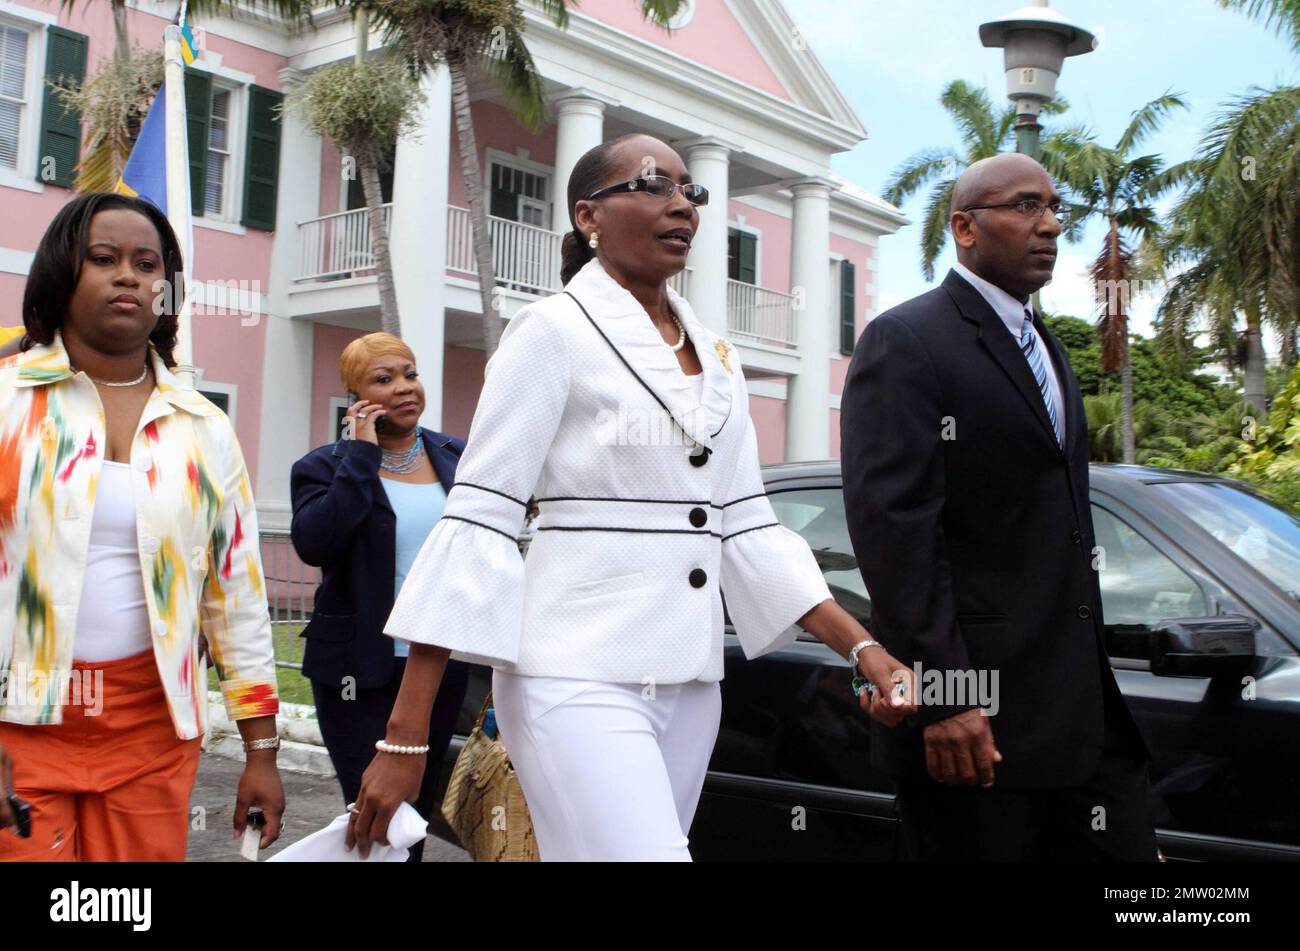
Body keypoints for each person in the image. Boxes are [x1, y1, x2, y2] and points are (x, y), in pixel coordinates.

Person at [343, 133, 917, 861]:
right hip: (572, 673)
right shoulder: (550, 331)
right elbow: (479, 519)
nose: (681, 204)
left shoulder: (716, 355)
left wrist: (863, 646)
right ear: (590, 214)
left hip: (690, 682)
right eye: (652, 187)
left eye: (689, 190)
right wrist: (405, 735)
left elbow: (746, 526)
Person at [840, 153, 1158, 861]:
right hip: (974, 731)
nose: (1047, 226)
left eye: (1053, 209)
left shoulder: (1046, 344)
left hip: (1083, 723)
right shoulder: (907, 340)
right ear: (964, 227)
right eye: (1023, 207)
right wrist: (948, 697)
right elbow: (897, 534)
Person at [0, 193, 284, 861]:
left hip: (152, 727)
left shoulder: (203, 427)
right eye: (104, 258)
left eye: (147, 262)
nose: (129, 275)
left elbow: (236, 600)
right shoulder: (8, 400)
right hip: (19, 722)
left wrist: (262, 752)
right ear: (60, 273)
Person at [289, 332, 469, 862]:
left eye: (409, 374)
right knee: (374, 813)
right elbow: (318, 542)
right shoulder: (324, 466)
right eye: (383, 379)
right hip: (356, 669)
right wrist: (363, 453)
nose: (404, 388)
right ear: (356, 396)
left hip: (439, 664)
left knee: (415, 816)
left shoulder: (456, 456)